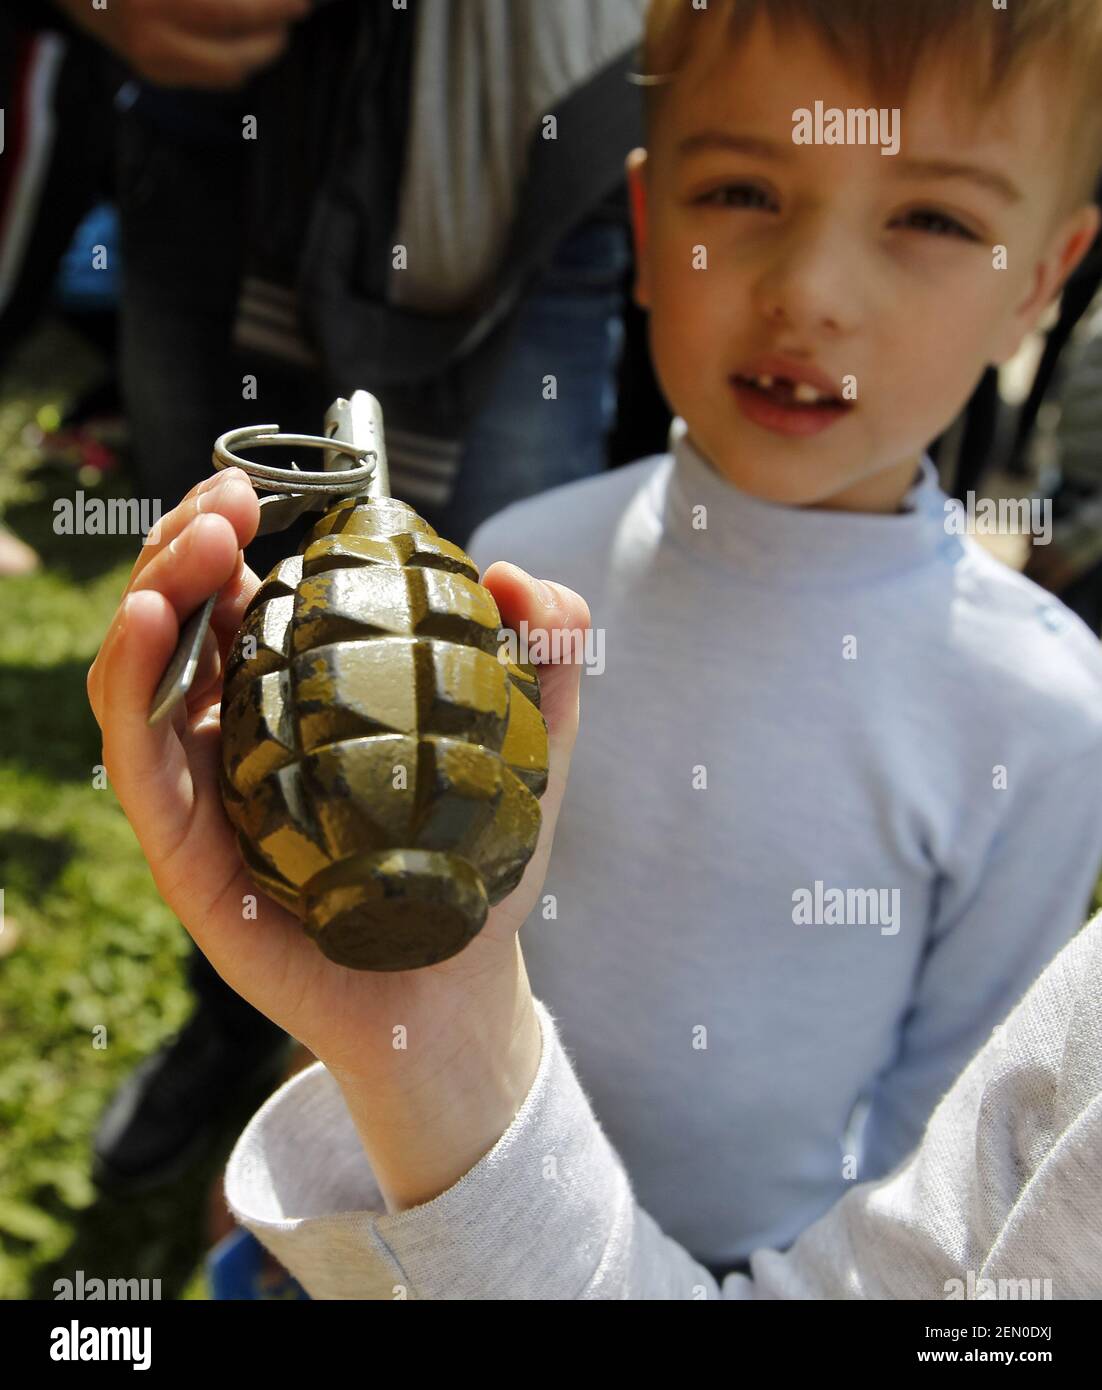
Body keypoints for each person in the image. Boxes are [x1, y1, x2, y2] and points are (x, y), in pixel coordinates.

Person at [86, 0, 1102, 1294]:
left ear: (1041, 279)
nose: (809, 290)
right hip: (415, 1208)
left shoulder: (1048, 712)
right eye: (740, 190)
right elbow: (408, 926)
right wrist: (338, 1084)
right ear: (640, 226)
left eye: (932, 218)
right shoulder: (516, 561)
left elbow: (961, 1143)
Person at [37, 0, 648, 1193]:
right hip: (215, 129)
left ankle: (456, 1062)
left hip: (521, 136)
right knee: (212, 627)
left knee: (496, 651)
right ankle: (234, 1017)